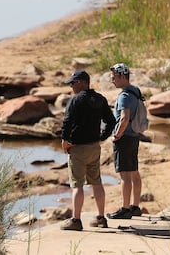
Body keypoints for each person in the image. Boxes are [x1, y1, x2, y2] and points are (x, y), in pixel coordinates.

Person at [59, 69, 117, 231]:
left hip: (77, 148)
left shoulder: (75, 100)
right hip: (94, 146)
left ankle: (76, 220)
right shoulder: (100, 99)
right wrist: (101, 137)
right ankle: (101, 218)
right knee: (96, 182)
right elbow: (111, 121)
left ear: (82, 82)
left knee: (77, 185)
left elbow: (67, 122)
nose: (71, 86)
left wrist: (64, 140)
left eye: (73, 83)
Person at [106, 62, 144, 220]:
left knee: (125, 175)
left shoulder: (124, 96)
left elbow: (124, 118)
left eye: (114, 77)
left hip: (125, 138)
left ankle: (125, 209)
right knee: (134, 171)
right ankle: (135, 206)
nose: (112, 80)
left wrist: (117, 135)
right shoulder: (135, 91)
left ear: (122, 76)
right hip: (134, 135)